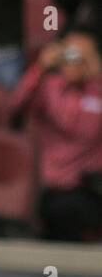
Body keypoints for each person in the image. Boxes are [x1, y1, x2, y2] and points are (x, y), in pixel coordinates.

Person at [10, 30, 102, 242]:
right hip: (54, 191)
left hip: (91, 189)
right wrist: (40, 67)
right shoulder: (49, 87)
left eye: (82, 55)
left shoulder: (97, 91)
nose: (75, 61)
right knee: (60, 209)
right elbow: (16, 106)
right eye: (69, 54)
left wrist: (97, 75)